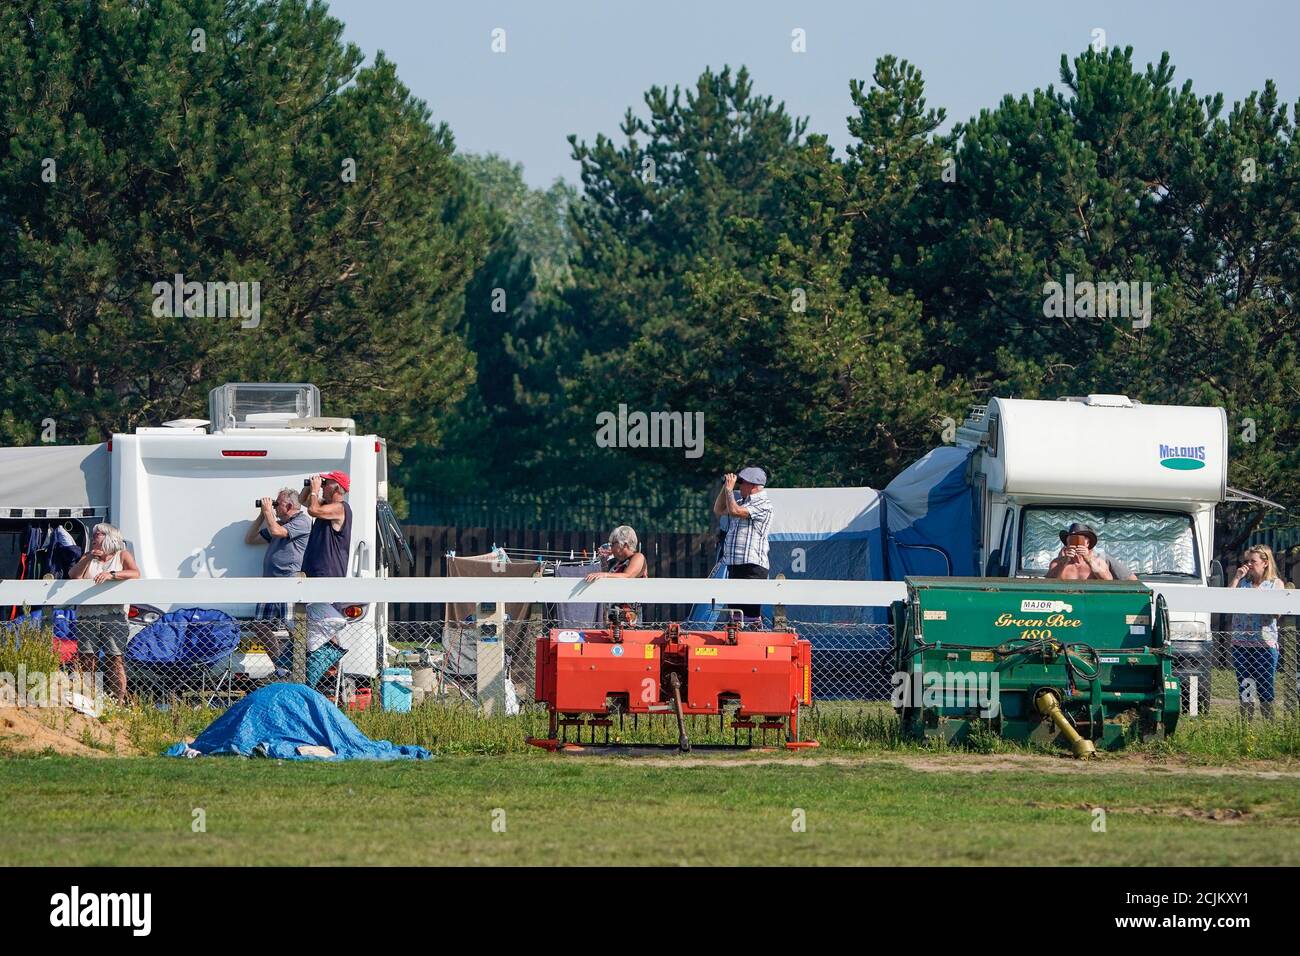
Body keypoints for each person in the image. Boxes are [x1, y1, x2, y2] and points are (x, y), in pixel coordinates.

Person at [68, 523, 140, 702]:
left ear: (109, 537)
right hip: (87, 614)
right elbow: (74, 575)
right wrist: (88, 558)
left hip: (113, 614)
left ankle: (118, 700)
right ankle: (89, 697)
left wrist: (112, 575)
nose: (94, 538)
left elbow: (135, 573)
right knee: (87, 658)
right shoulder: (88, 557)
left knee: (114, 658)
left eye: (98, 534)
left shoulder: (122, 555)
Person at [294, 471, 353, 689]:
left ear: (337, 489)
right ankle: (323, 678)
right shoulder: (326, 506)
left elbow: (312, 509)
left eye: (327, 483)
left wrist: (316, 490)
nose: (323, 484)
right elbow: (303, 501)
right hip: (313, 576)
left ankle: (326, 677)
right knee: (313, 629)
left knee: (323, 630)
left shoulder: (340, 508)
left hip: (327, 577)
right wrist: (312, 487)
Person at [244, 487, 312, 664]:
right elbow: (250, 539)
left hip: (289, 580)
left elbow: (276, 532)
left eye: (277, 504)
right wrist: (262, 515)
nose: (273, 507)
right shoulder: (279, 523)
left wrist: (268, 513)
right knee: (259, 625)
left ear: (289, 505)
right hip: (270, 583)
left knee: (293, 627)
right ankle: (281, 663)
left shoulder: (302, 521)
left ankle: (300, 666)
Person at [712, 466, 773, 623]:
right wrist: (724, 488)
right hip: (735, 565)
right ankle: (737, 642)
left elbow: (735, 511)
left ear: (753, 485)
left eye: (741, 482)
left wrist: (729, 491)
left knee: (750, 616)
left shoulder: (764, 505)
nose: (738, 486)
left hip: (753, 567)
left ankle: (755, 639)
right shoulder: (740, 501)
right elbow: (718, 509)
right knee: (735, 616)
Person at [1229, 545, 1283, 720]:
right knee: (1246, 688)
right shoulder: (1243, 583)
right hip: (1240, 644)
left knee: (1265, 688)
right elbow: (1225, 601)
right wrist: (1237, 577)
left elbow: (1278, 612)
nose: (1249, 565)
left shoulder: (1275, 584)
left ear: (1265, 563)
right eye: (1248, 561)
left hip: (1264, 644)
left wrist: (1260, 600)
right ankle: (1247, 729)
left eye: (1254, 561)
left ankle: (1270, 729)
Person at [587, 525, 648, 624]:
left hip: (629, 617)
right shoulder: (617, 562)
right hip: (613, 616)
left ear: (624, 544)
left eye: (613, 544)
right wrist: (603, 561)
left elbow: (627, 576)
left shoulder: (638, 557)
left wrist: (604, 575)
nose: (611, 547)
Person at [1045, 523, 1138, 581]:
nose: (1076, 542)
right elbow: (1048, 584)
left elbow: (1108, 582)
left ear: (1088, 543)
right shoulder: (1056, 563)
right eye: (1071, 539)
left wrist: (1088, 560)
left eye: (1080, 539)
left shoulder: (1099, 562)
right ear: (1067, 542)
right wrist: (1065, 562)